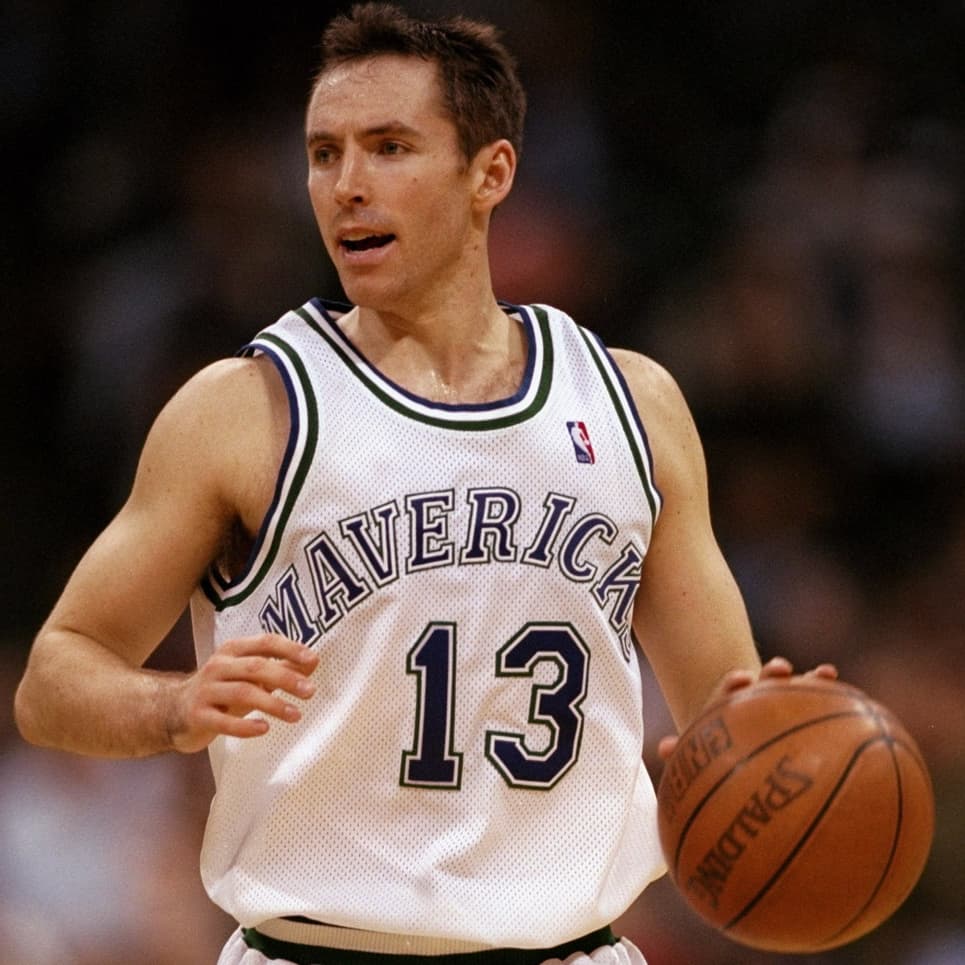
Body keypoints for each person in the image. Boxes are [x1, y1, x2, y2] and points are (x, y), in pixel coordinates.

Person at [15, 4, 835, 964]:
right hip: (312, 948)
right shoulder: (243, 410)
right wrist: (173, 705)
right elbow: (53, 679)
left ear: (490, 173)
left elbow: (721, 715)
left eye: (389, 147)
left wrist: (778, 735)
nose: (347, 186)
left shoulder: (633, 405)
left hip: (571, 948)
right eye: (324, 154)